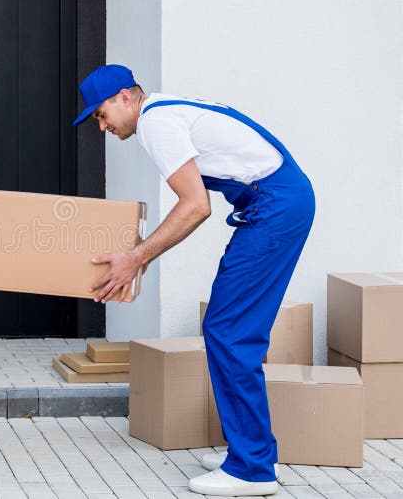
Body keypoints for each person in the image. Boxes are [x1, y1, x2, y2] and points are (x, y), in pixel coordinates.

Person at [76, 65, 314, 496]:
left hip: (276, 207)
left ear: (125, 98)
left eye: (101, 113)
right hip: (276, 203)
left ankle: (252, 469)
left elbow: (195, 206)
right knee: (232, 329)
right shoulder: (167, 111)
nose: (102, 125)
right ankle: (252, 450)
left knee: (229, 331)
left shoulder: (155, 122)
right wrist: (141, 255)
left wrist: (137, 256)